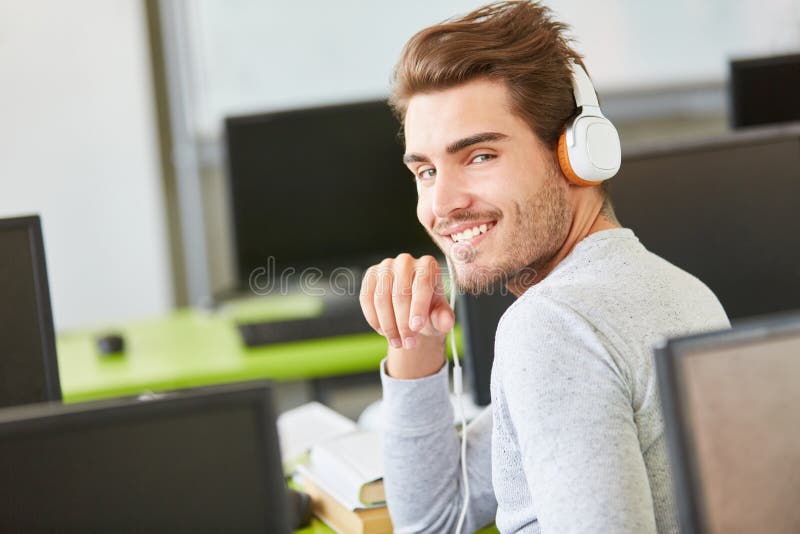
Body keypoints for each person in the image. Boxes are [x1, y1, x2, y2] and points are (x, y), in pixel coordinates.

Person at [358, 2, 730, 533]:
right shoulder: (684, 292)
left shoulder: (553, 327)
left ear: (577, 153)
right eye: (425, 170)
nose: (441, 204)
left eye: (480, 156)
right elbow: (439, 515)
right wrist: (413, 344)